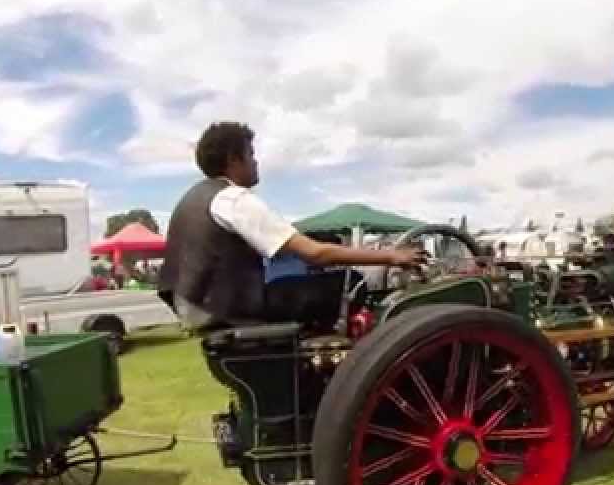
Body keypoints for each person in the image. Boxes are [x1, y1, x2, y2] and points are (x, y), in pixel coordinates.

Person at [158, 121, 426, 331]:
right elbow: (315, 253)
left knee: (300, 285)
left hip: (195, 307)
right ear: (233, 159)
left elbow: (284, 250)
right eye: (250, 154)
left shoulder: (195, 198)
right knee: (349, 282)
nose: (256, 161)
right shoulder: (234, 199)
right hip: (228, 307)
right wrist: (392, 255)